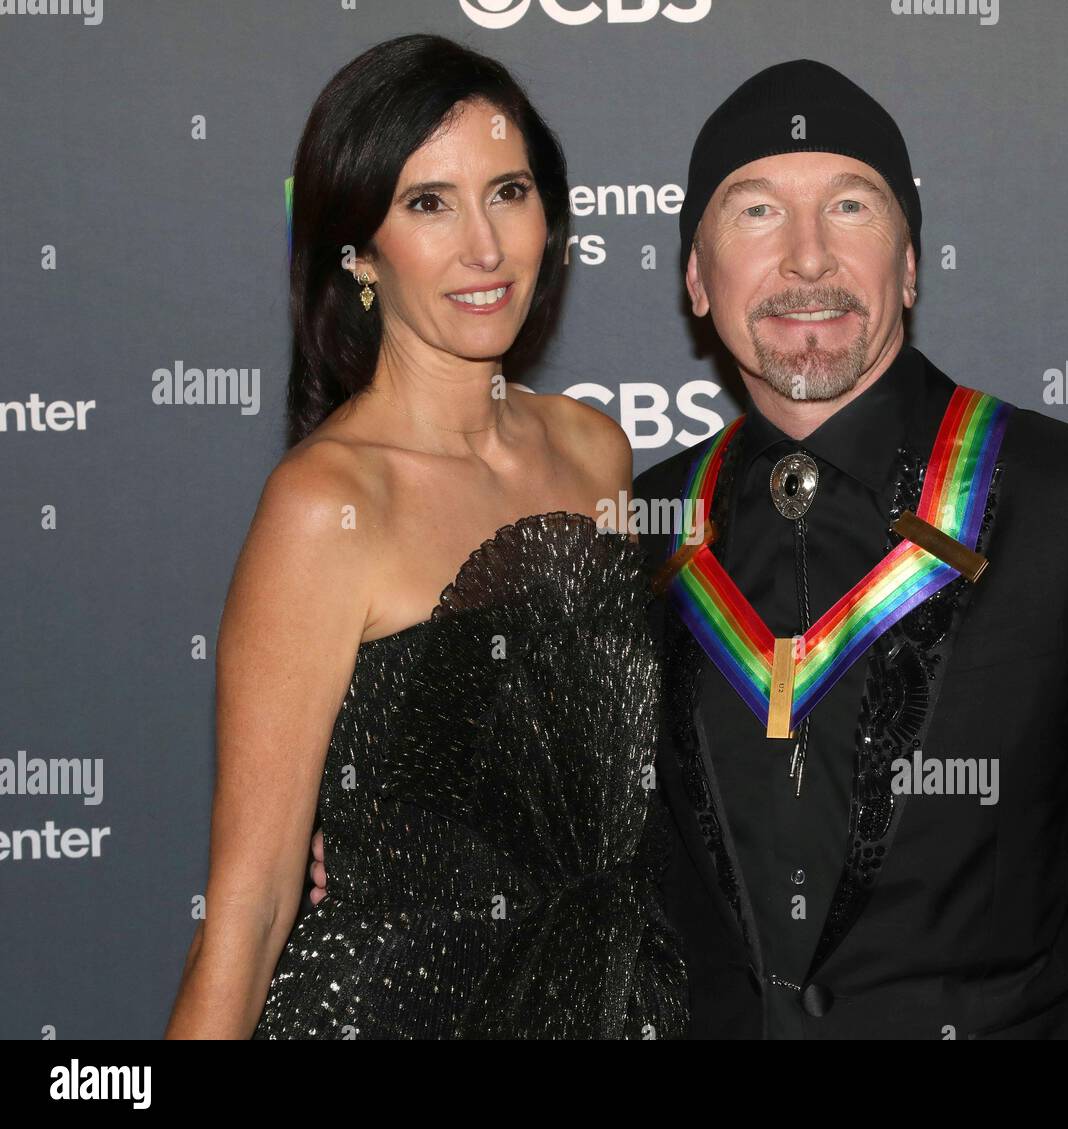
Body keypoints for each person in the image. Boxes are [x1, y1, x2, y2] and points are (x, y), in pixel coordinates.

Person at [631, 59, 1068, 1039]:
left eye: (850, 207)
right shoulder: (641, 524)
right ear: (696, 279)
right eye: (754, 212)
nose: (807, 258)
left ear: (910, 265)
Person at [164, 33, 687, 1040]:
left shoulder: (594, 453)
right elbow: (251, 905)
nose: (484, 249)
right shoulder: (325, 504)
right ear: (358, 253)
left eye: (509, 191)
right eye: (428, 203)